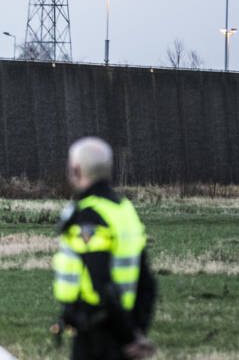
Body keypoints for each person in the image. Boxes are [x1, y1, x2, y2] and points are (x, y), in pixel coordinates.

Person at [53, 137, 158, 360]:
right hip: (122, 327)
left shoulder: (90, 216)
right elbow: (146, 282)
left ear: (76, 170)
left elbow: (101, 283)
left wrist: (127, 337)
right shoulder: (124, 211)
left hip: (97, 335)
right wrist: (136, 331)